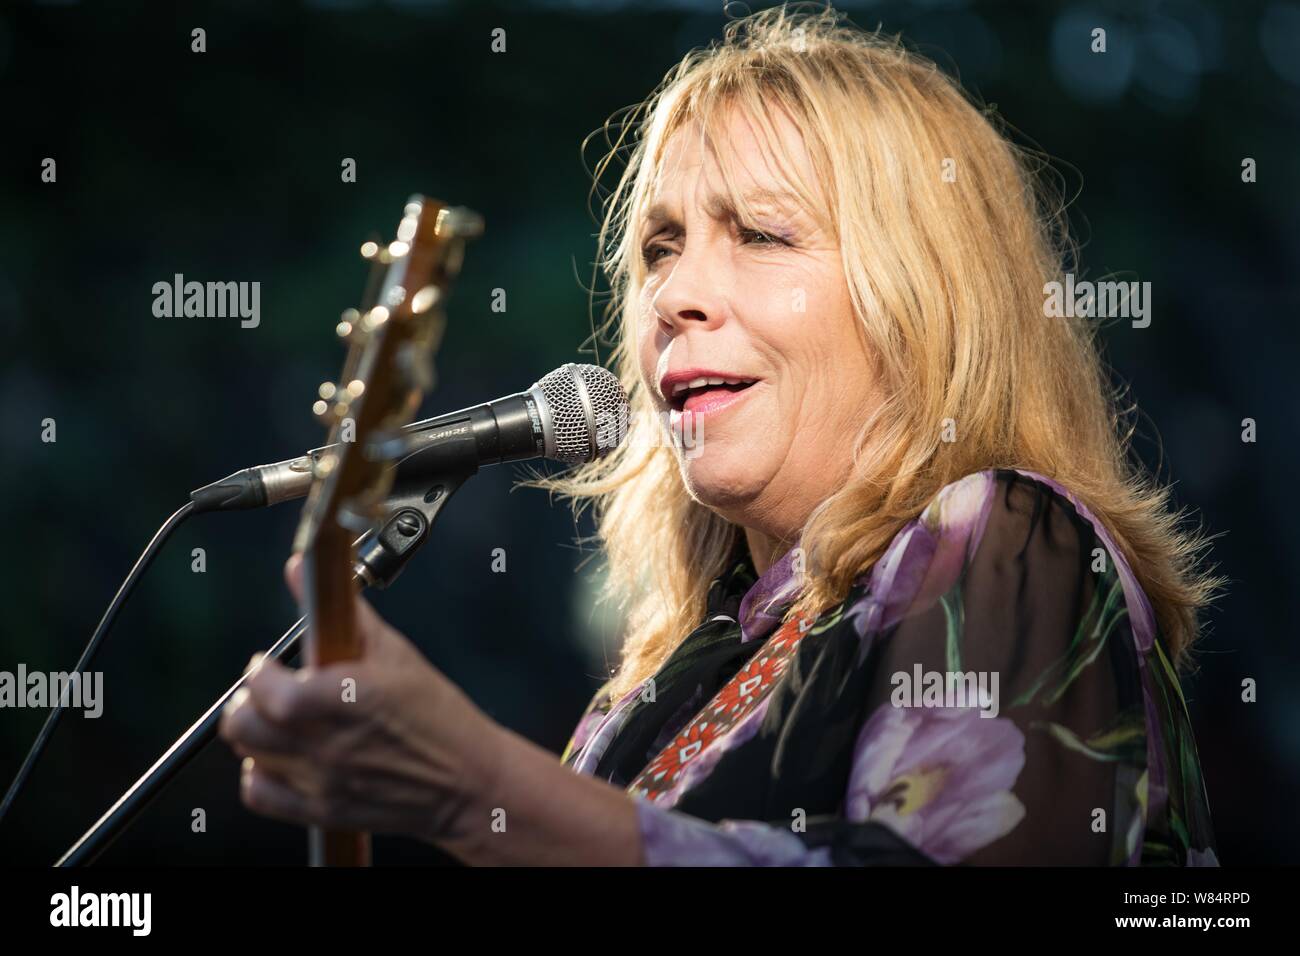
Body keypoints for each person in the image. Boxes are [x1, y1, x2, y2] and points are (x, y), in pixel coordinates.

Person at [219, 5, 1221, 866]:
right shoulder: (651, 690)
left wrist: (472, 787)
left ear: (925, 301)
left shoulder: (1004, 537)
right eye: (660, 247)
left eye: (760, 234)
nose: (675, 295)